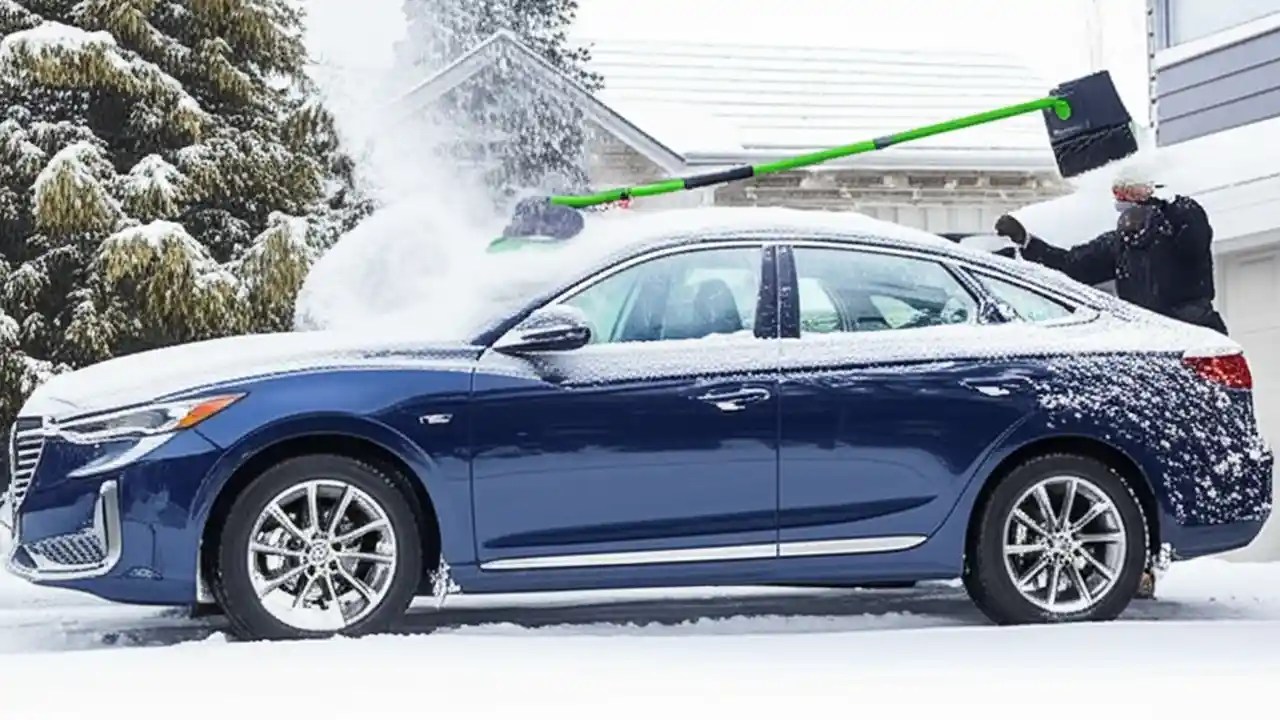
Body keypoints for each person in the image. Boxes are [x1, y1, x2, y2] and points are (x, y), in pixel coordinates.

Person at [994, 168, 1228, 335]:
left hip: (1194, 332)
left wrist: (1156, 198)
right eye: (1124, 212)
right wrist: (1026, 241)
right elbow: (1073, 265)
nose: (1130, 223)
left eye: (1133, 208)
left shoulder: (1182, 219)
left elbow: (1193, 230)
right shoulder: (1119, 245)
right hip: (1149, 337)